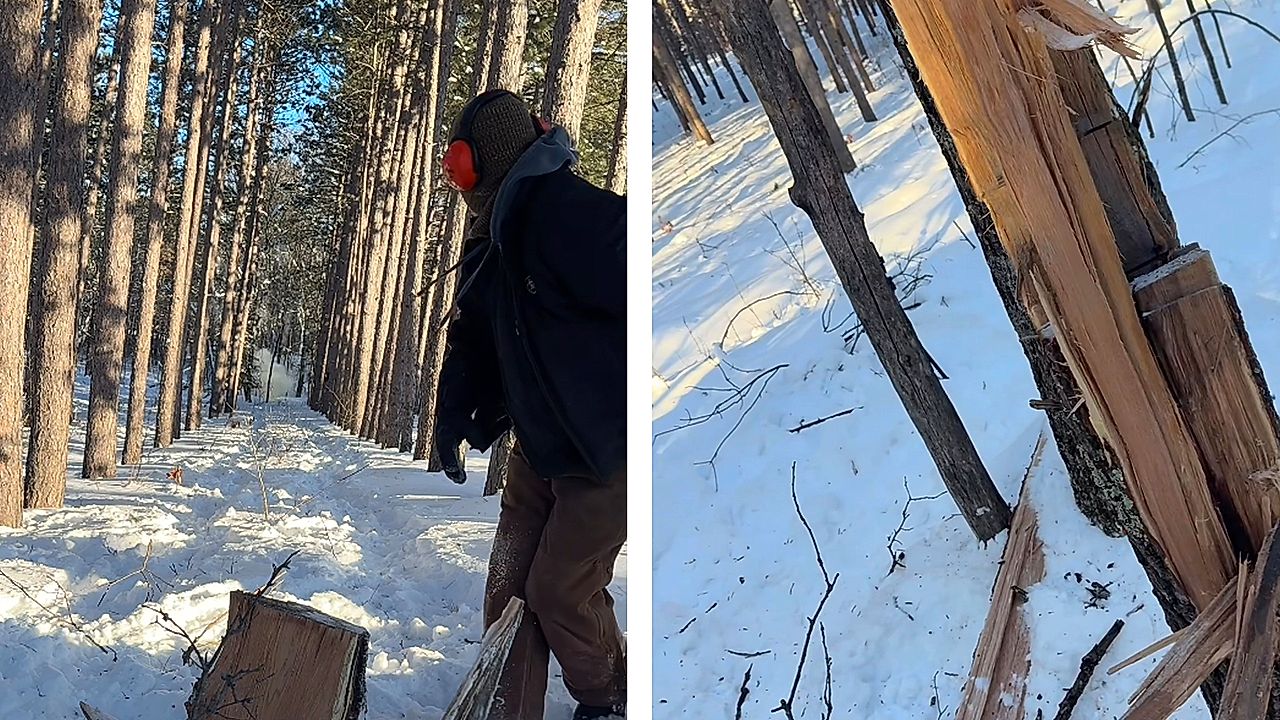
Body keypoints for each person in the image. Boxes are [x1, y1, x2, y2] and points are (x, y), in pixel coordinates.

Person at [434, 88, 627, 720]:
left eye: (460, 167)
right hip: (539, 448)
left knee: (560, 592)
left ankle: (609, 700)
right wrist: (453, 414)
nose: (456, 184)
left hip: (604, 455)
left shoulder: (571, 215)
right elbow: (473, 334)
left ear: (486, 162)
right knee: (508, 590)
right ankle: (506, 710)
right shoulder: (495, 236)